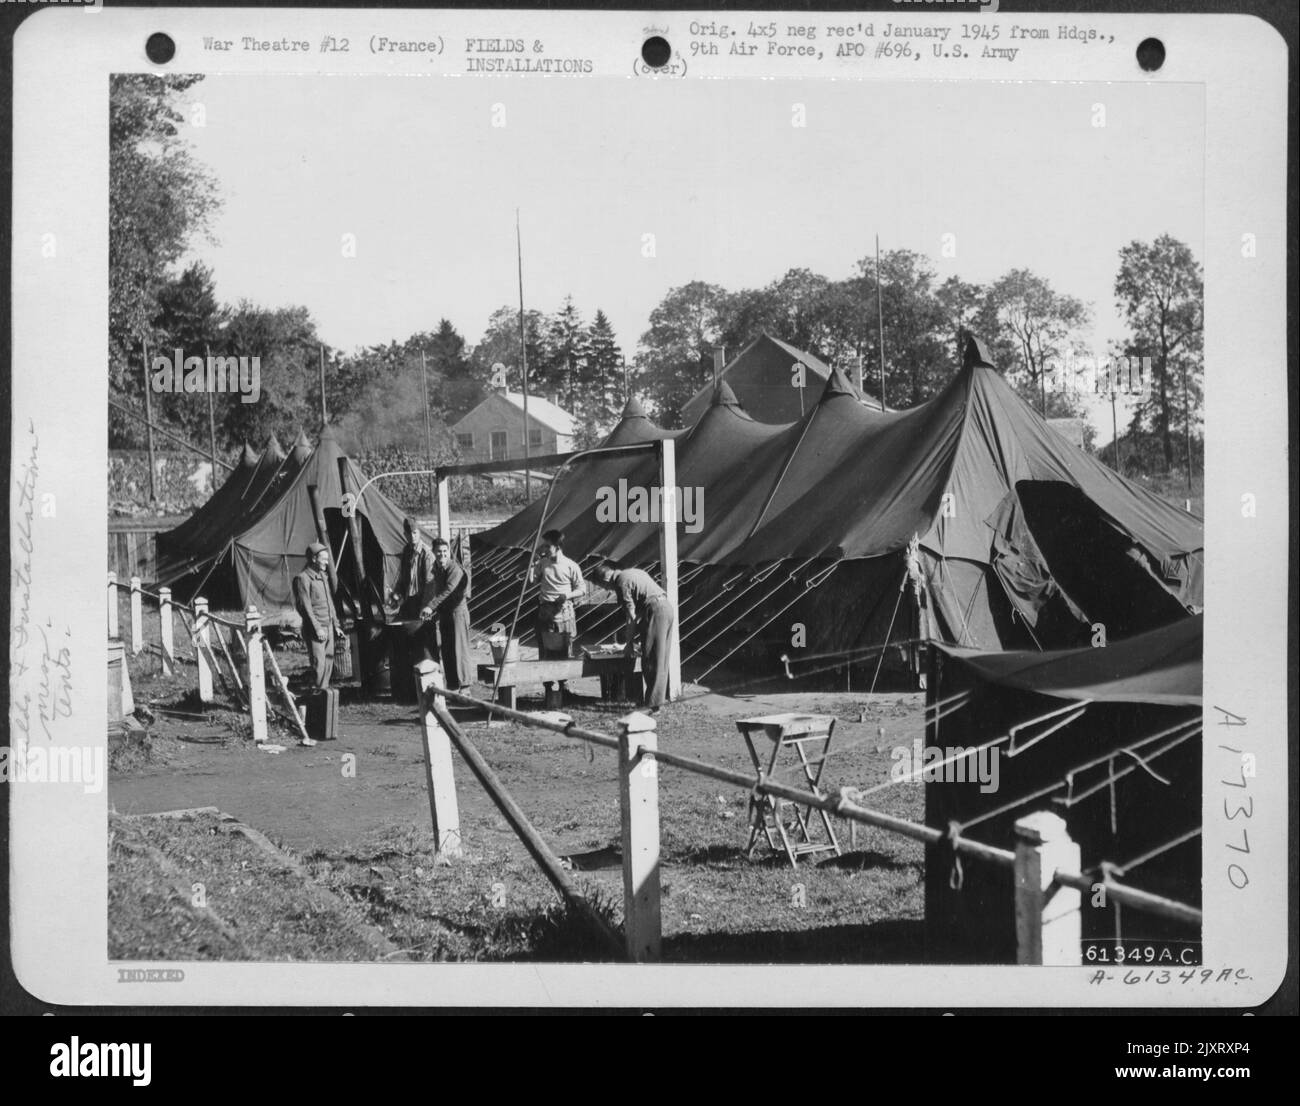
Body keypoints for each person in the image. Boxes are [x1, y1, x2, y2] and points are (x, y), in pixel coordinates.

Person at [589, 560, 676, 711]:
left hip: (655, 611)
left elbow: (631, 617)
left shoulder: (621, 583)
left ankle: (652, 705)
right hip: (666, 608)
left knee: (650, 659)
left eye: (603, 587)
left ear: (605, 580)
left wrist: (628, 644)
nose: (607, 590)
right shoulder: (633, 571)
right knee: (661, 658)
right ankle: (656, 701)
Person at [530, 529, 585, 700]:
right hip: (545, 613)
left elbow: (581, 589)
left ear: (558, 546)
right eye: (544, 545)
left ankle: (564, 687)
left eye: (548, 546)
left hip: (564, 613)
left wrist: (567, 595)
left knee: (564, 650)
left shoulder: (571, 565)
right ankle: (548, 687)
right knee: (545, 650)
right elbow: (533, 580)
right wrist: (532, 565)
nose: (545, 549)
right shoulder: (543, 563)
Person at [418, 538, 472, 691]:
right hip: (445, 614)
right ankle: (453, 686)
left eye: (444, 551)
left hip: (458, 613)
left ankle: (465, 687)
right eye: (439, 552)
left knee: (459, 650)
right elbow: (436, 590)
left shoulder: (454, 569)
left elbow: (448, 592)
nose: (442, 555)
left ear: (448, 552)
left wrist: (431, 606)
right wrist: (433, 610)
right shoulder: (436, 568)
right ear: (434, 552)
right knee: (447, 650)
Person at [293, 541, 345, 691]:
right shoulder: (303, 578)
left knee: (329, 662)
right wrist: (317, 628)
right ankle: (317, 696)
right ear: (314, 559)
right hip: (316, 629)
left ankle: (324, 693)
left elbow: (330, 602)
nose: (327, 562)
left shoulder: (323, 576)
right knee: (319, 664)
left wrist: (335, 625)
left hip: (328, 626)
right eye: (324, 559)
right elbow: (305, 607)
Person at [392, 517, 434, 614]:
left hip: (423, 599)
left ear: (419, 533)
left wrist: (426, 606)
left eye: (415, 533)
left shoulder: (426, 553)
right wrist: (397, 594)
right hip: (409, 598)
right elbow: (402, 577)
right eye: (409, 534)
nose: (412, 536)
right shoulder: (406, 551)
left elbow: (430, 583)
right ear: (405, 535)